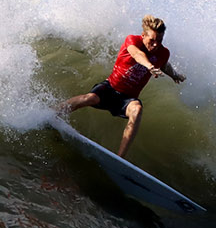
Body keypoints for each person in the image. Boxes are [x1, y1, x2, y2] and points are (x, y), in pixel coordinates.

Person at [59, 15, 187, 158]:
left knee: (137, 110)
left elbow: (164, 64)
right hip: (110, 88)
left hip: (128, 99)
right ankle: (52, 113)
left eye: (160, 40)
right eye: (152, 40)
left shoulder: (163, 52)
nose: (156, 44)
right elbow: (136, 54)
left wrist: (175, 75)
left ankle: (121, 158)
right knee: (89, 98)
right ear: (143, 35)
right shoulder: (132, 40)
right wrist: (149, 66)